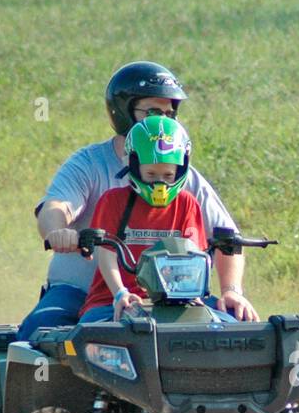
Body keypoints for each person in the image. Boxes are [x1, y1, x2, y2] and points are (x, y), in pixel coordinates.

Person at [18, 61, 257, 340]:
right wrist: (59, 232)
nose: (164, 121)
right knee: (39, 331)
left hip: (169, 298)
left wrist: (231, 291)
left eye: (170, 114)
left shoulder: (180, 174)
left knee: (239, 331)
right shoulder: (89, 164)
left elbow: (227, 238)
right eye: (154, 111)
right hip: (84, 291)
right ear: (123, 112)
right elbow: (55, 207)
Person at [76, 116, 223, 323]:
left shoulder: (186, 203)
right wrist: (120, 293)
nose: (160, 183)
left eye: (168, 175)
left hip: (176, 303)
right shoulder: (113, 201)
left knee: (231, 324)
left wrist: (194, 296)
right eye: (151, 174)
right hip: (112, 300)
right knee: (90, 334)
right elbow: (106, 254)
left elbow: (193, 254)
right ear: (134, 166)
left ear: (180, 171)